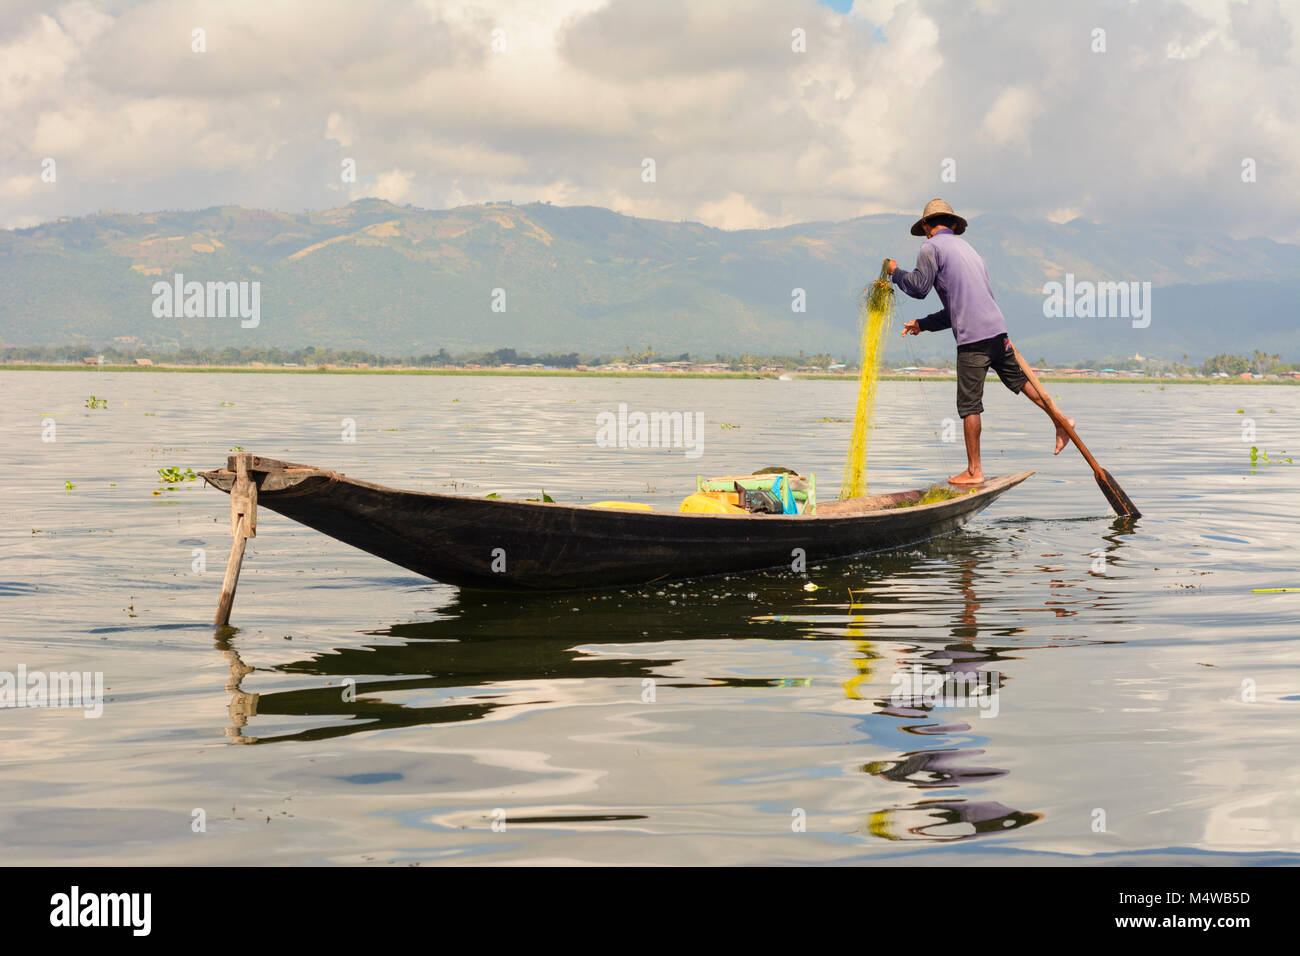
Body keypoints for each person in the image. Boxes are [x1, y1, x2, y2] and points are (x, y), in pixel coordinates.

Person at [886, 198, 1072, 485]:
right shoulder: (970, 250)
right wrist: (922, 324)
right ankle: (1061, 421)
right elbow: (957, 308)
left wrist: (895, 273)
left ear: (926, 226)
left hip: (973, 339)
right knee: (1022, 383)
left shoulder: (930, 248)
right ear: (951, 224)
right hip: (997, 331)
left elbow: (919, 288)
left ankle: (974, 471)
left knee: (969, 405)